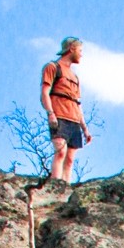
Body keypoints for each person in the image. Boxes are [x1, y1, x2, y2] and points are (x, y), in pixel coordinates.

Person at [40, 38, 91, 183]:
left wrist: (85, 129)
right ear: (71, 49)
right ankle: (55, 185)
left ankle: (66, 189)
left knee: (69, 159)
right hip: (59, 116)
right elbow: (44, 93)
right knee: (60, 152)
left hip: (74, 119)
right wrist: (50, 113)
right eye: (80, 50)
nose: (81, 54)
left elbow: (77, 104)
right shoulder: (52, 67)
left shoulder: (75, 77)